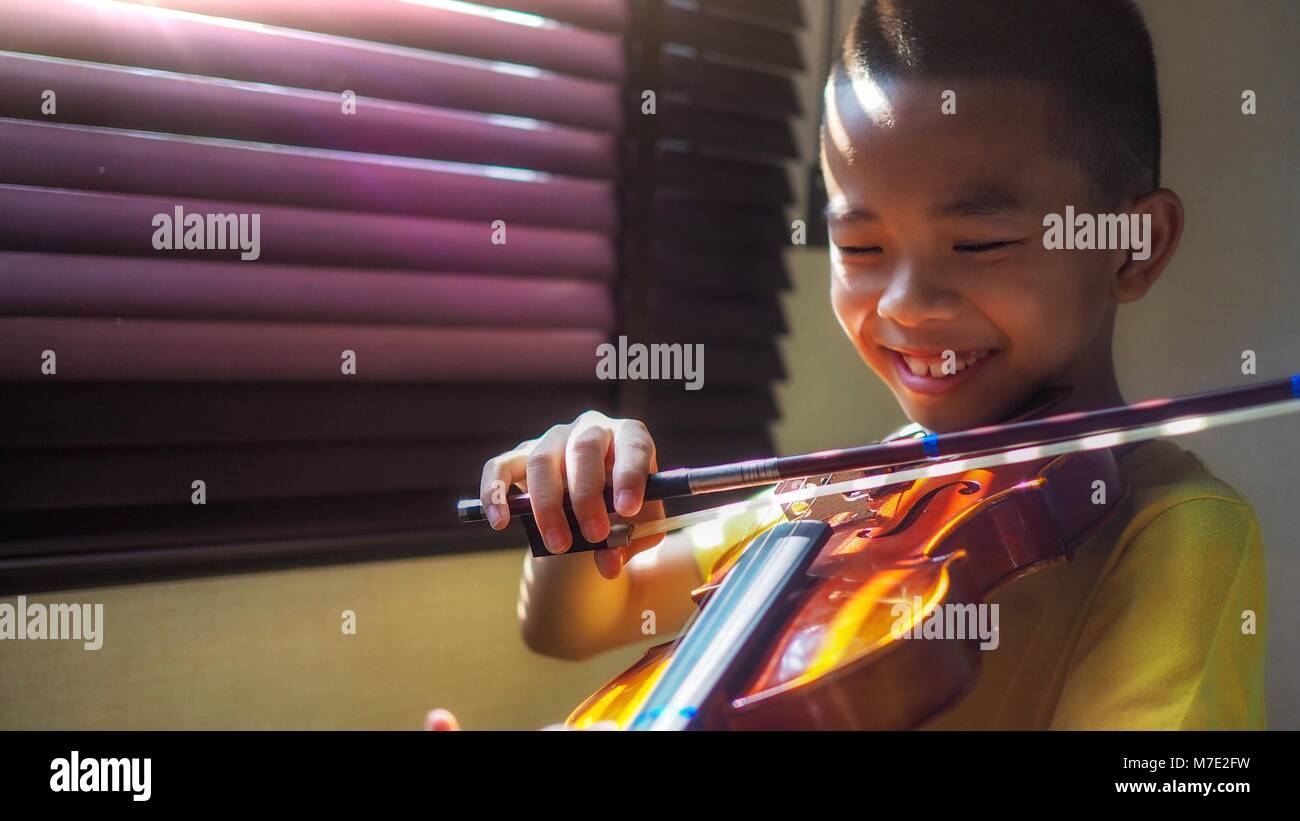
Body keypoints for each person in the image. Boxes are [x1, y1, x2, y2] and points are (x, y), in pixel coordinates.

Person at [474, 0, 1266, 730]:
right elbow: (569, 625)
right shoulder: (859, 499)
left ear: (1134, 244)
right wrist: (573, 519)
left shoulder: (1178, 528)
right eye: (859, 248)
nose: (906, 305)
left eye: (980, 243)